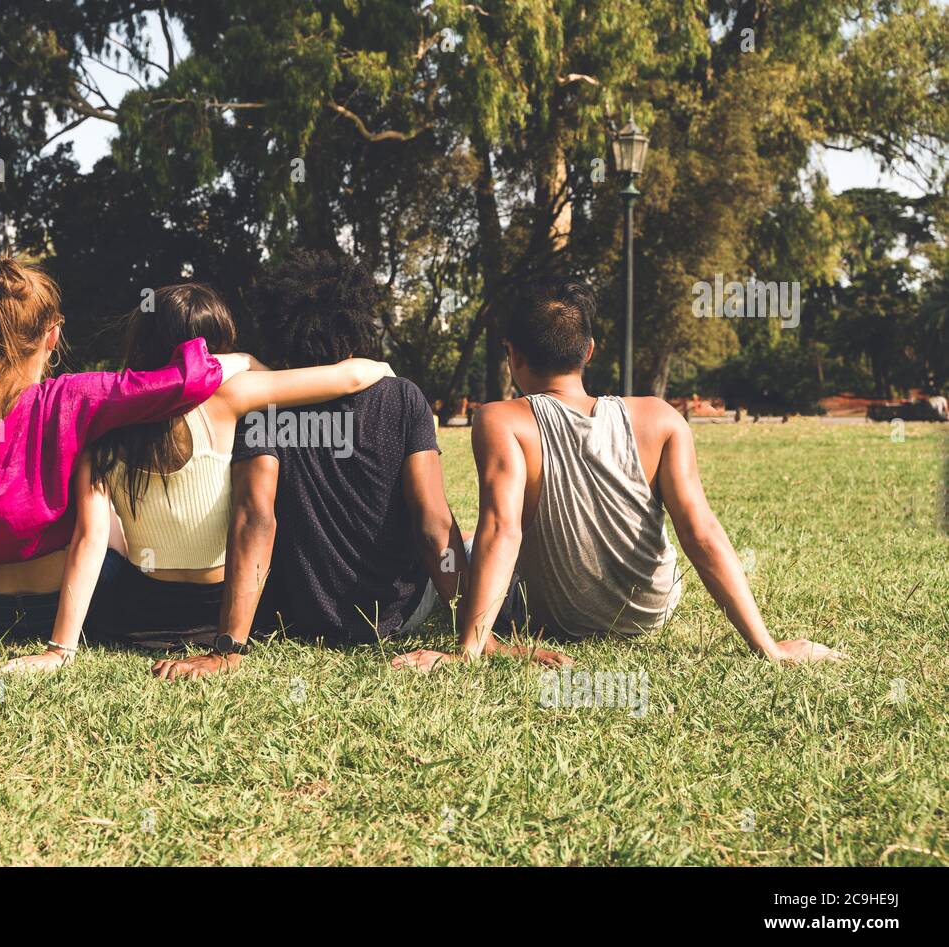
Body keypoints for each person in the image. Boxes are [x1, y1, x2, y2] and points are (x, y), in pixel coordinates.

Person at [393, 278, 843, 673]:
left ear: (512, 353)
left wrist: (469, 649)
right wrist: (767, 646)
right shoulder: (660, 417)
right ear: (588, 351)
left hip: (552, 618)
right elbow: (701, 532)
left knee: (466, 546)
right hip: (649, 612)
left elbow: (503, 529)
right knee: (478, 539)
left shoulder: (500, 420)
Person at [0, 257, 250, 674]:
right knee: (110, 526)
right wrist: (239, 360)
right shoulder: (74, 397)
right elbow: (180, 381)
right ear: (52, 336)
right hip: (83, 604)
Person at [154, 250, 468, 680]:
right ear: (358, 321)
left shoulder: (266, 408)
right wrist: (476, 631)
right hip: (396, 617)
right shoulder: (402, 398)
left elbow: (254, 520)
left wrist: (229, 648)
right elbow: (433, 522)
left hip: (295, 617)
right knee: (476, 547)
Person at [78, 282, 395, 662]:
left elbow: (90, 536)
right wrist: (383, 367)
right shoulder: (231, 396)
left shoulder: (108, 416)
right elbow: (351, 378)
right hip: (218, 612)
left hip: (139, 615)